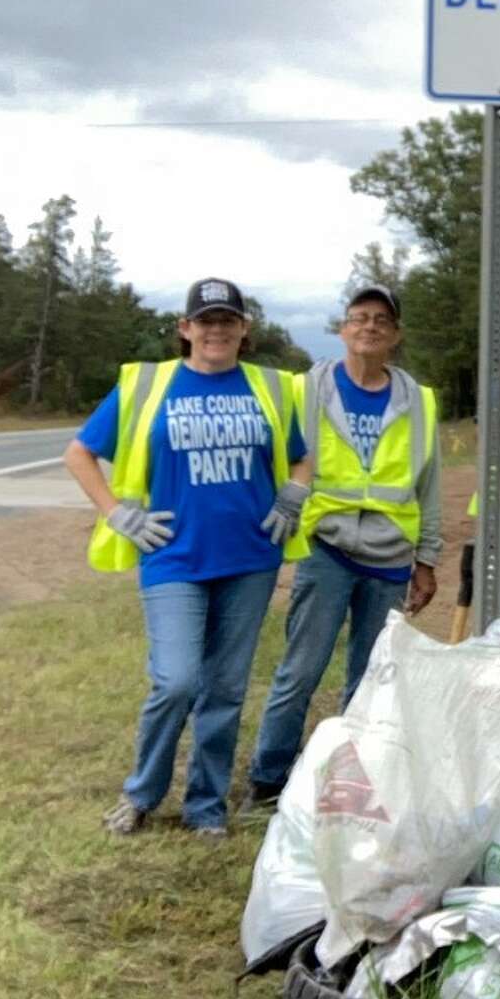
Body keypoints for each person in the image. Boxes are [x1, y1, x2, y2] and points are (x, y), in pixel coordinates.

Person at [64, 277, 310, 838]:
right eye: (205, 320)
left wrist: (295, 495)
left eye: (227, 320)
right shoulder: (145, 385)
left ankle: (206, 806)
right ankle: (142, 793)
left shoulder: (269, 388)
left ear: (244, 329)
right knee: (176, 681)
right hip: (172, 557)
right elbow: (78, 453)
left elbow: (300, 457)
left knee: (224, 688)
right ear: (185, 329)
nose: (216, 329)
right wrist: (116, 513)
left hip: (251, 558)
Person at [245, 285, 440, 806]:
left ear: (395, 335)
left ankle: (350, 783)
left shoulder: (417, 401)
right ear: (342, 328)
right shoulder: (306, 389)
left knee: (371, 678)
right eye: (360, 318)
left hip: (391, 555)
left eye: (382, 320)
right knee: (301, 669)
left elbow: (430, 484)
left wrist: (427, 559)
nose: (370, 326)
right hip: (326, 549)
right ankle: (268, 779)